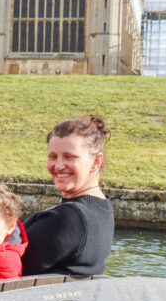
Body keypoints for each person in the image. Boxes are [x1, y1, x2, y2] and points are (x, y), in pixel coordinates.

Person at [21, 115, 114, 276]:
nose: (58, 166)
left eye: (70, 157)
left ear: (96, 162)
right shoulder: (103, 209)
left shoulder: (69, 219)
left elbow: (2, 266)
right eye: (52, 157)